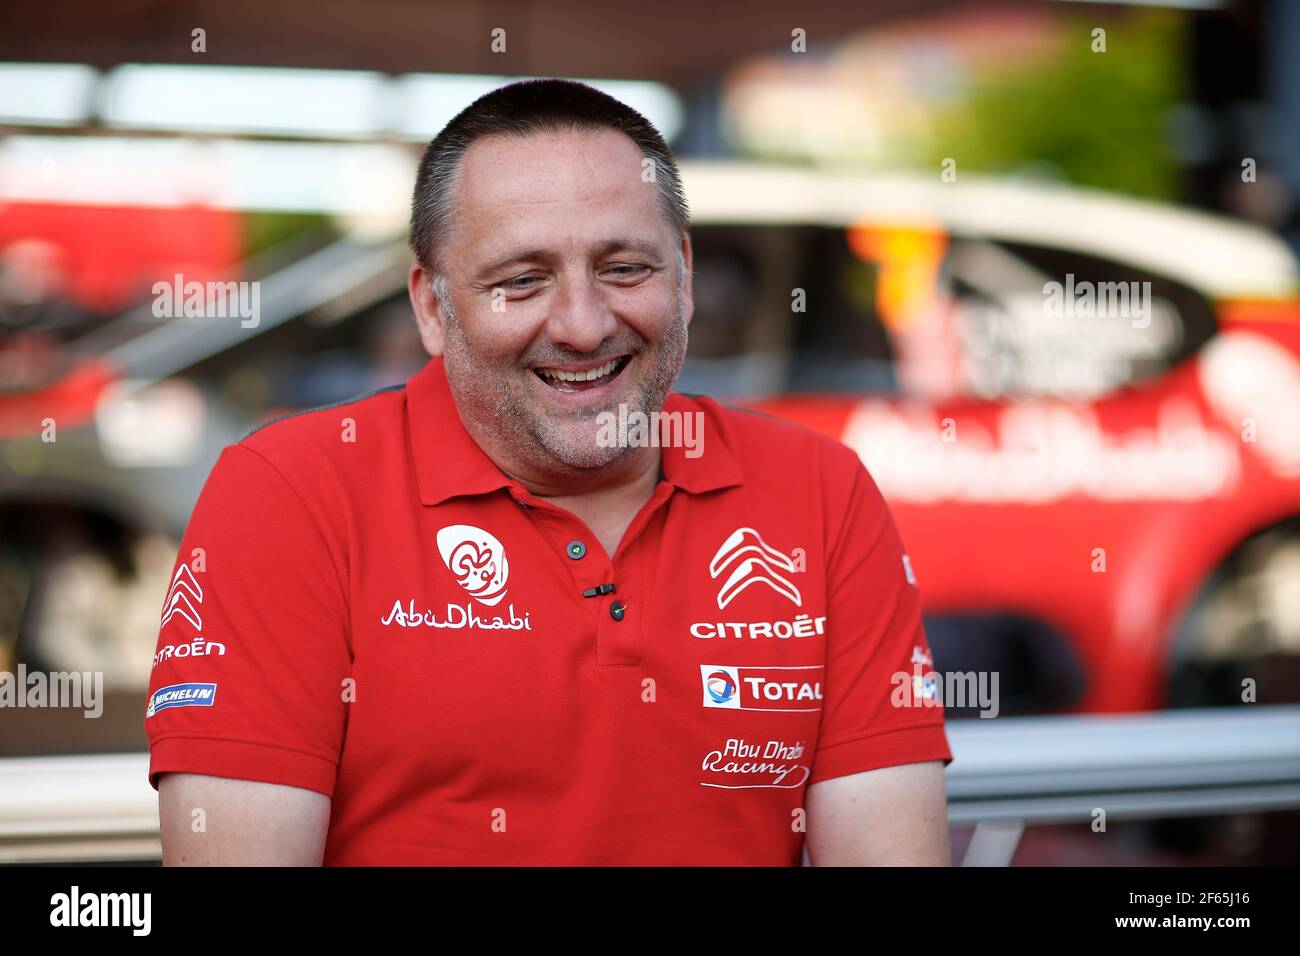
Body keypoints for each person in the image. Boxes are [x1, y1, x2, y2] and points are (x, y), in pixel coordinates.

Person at [146, 78, 953, 865]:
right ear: (432, 308)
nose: (582, 324)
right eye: (521, 281)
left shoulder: (819, 489)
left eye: (626, 269)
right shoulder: (290, 493)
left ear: (686, 275)